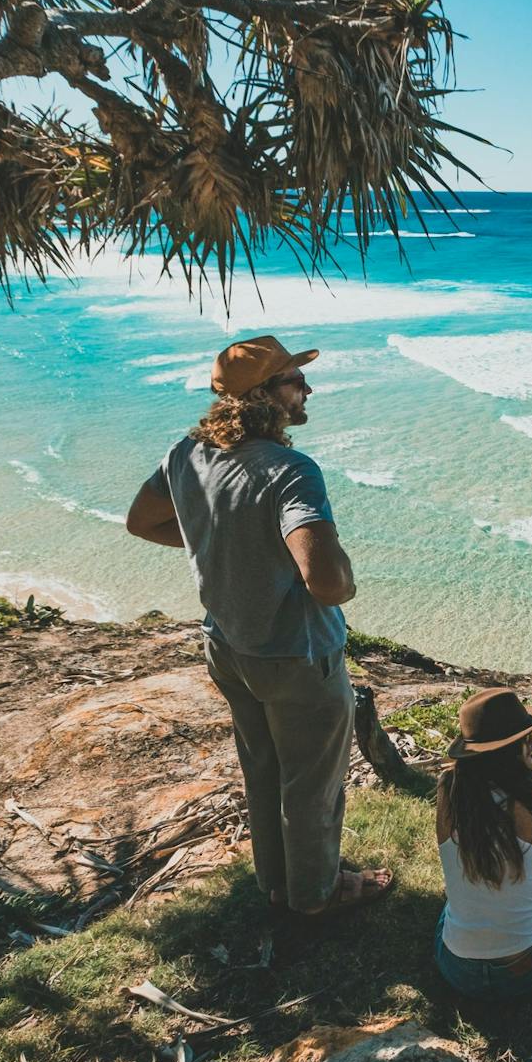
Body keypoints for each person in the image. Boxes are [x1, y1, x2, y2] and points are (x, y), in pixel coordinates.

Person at [125, 334, 394, 916]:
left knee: (264, 771)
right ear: (265, 395)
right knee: (312, 786)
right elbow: (326, 581)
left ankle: (278, 883)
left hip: (226, 645)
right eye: (295, 380)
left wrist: (218, 541)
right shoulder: (292, 470)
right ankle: (317, 897)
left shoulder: (186, 453)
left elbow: (141, 522)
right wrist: (344, 579)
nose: (307, 389)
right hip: (297, 655)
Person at [435, 688, 532, 999]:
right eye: (529, 739)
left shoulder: (449, 791)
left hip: (458, 970)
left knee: (455, 900)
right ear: (514, 749)